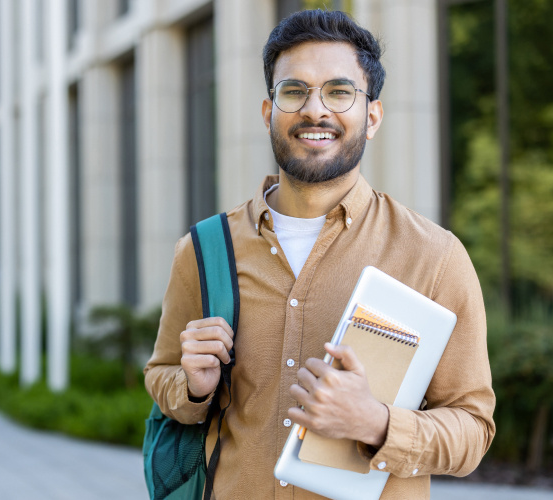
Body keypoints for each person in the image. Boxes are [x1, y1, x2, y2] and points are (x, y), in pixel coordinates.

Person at [144, 9, 495, 499]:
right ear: (270, 113)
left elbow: (473, 429)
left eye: (339, 91)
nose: (315, 110)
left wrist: (377, 424)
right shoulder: (203, 251)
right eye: (294, 91)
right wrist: (194, 387)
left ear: (371, 116)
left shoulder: (434, 256)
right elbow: (161, 375)